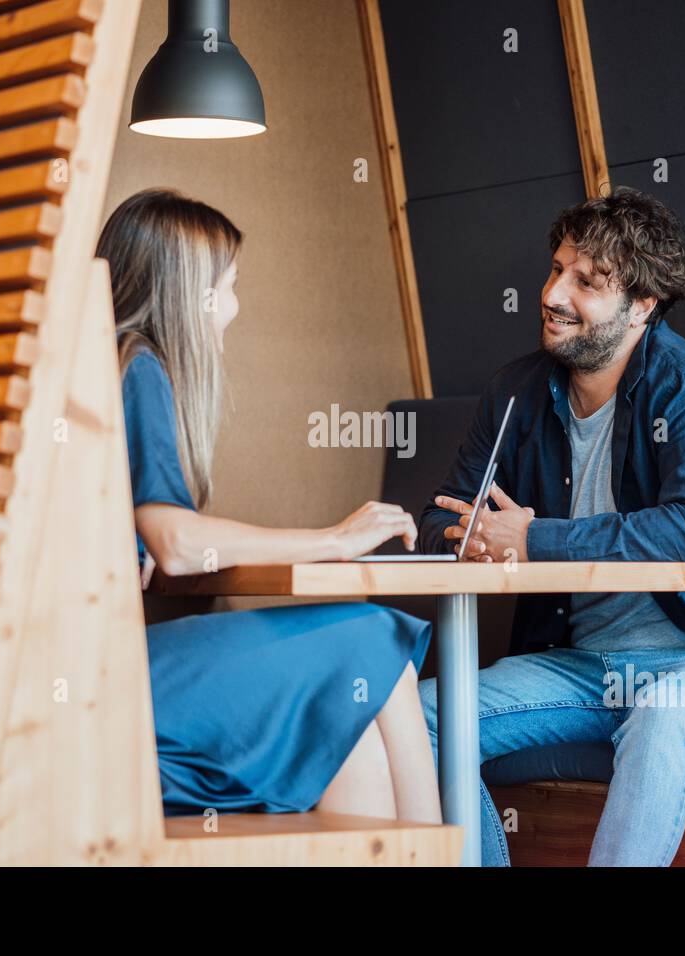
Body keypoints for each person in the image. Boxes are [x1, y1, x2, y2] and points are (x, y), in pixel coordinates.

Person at [417, 186, 685, 865]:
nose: (554, 293)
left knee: (664, 715)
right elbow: (441, 513)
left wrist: (532, 540)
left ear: (643, 305)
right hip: (581, 668)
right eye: (556, 270)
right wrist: (468, 538)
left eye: (587, 282)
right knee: (413, 717)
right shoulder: (516, 392)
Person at [100, 187, 440, 823]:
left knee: (347, 735)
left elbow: (153, 546)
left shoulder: (102, 366)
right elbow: (176, 543)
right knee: (375, 636)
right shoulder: (138, 366)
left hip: (83, 673)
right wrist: (332, 540)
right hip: (104, 680)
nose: (234, 306)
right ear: (195, 295)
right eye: (230, 285)